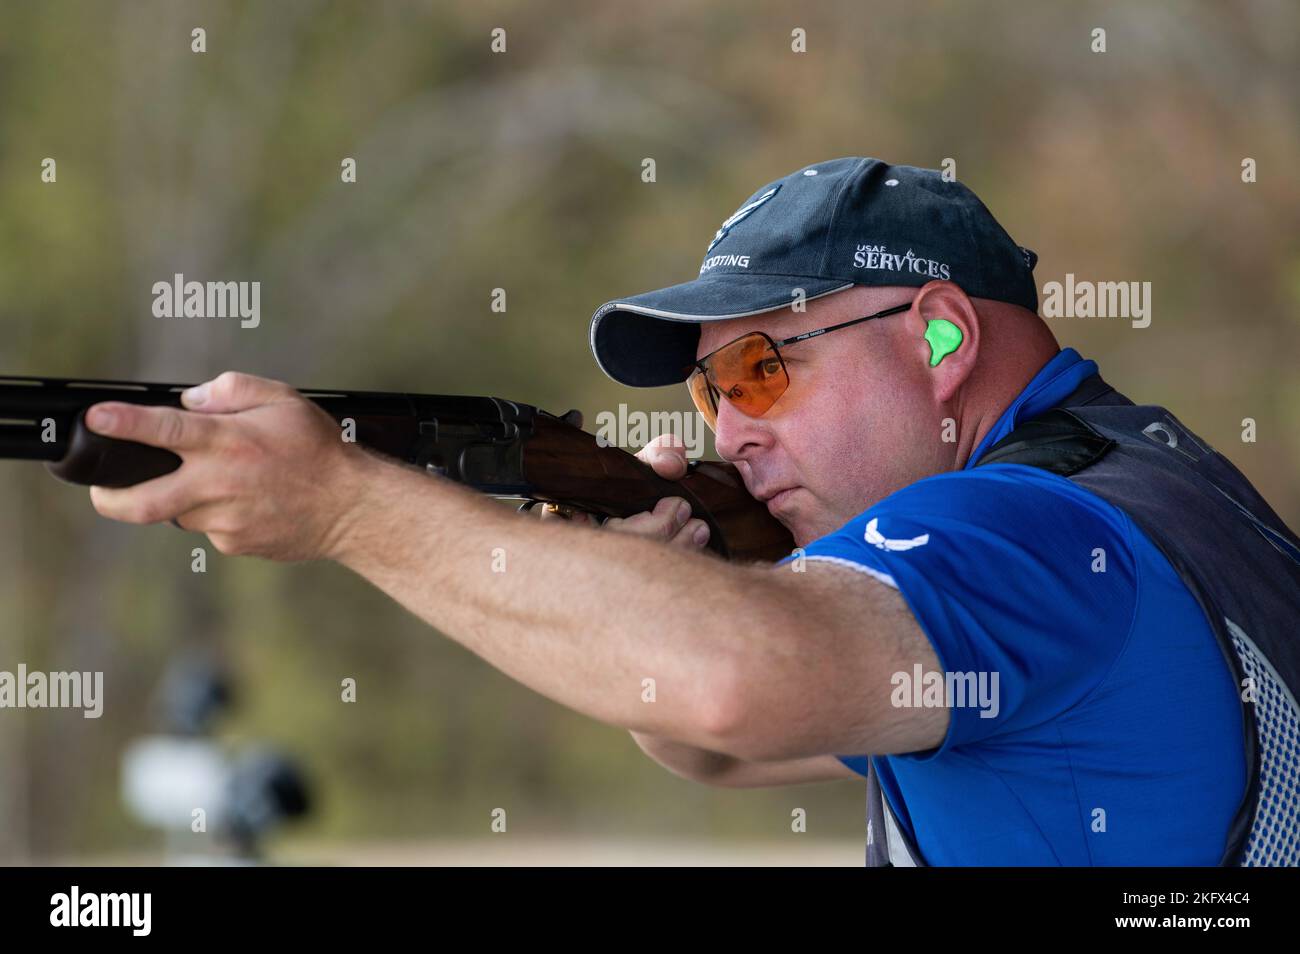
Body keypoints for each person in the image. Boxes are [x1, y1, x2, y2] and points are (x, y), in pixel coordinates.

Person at [84, 157, 1300, 866]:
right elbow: (721, 737)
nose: (729, 428)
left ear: (940, 334)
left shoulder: (1019, 531)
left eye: (768, 368)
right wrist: (669, 583)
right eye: (713, 388)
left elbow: (724, 681)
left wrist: (345, 507)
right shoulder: (1154, 484)